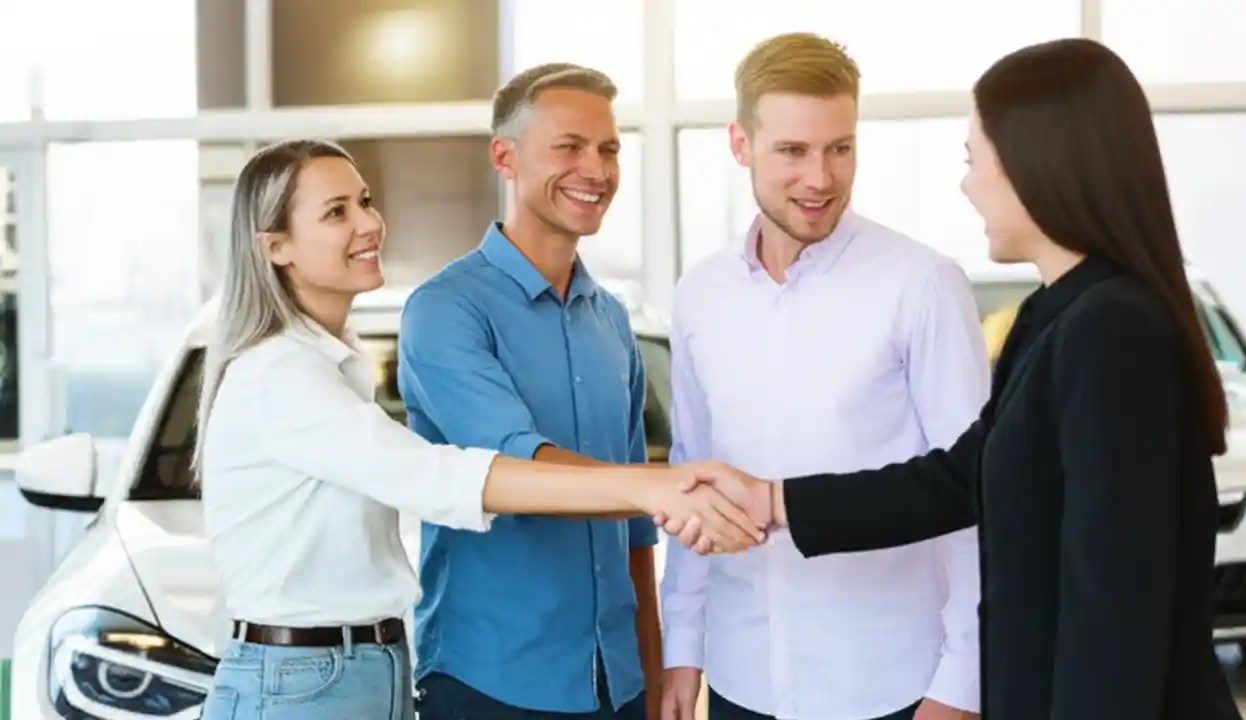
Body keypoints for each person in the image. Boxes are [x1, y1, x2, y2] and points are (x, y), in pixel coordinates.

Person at [665, 38, 1245, 720]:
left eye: (977, 160)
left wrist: (957, 682)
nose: (968, 185)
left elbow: (1113, 601)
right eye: (793, 150)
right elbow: (954, 481)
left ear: (1041, 167)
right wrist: (769, 501)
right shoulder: (1058, 315)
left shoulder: (1110, 330)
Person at [195, 139, 764, 720]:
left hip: (358, 670)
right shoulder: (279, 375)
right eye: (336, 212)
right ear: (276, 248)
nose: (368, 223)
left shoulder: (336, 364)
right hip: (300, 684)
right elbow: (437, 476)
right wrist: (650, 487)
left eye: (365, 201)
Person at [659, 33, 983, 720]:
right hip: (741, 680)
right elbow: (692, 472)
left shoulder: (922, 286)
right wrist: (682, 646)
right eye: (793, 151)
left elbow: (974, 493)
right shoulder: (699, 295)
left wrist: (962, 685)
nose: (821, 178)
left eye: (840, 148)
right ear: (740, 145)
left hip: (890, 686)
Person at [398, 63, 665, 720]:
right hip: (490, 682)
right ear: (505, 157)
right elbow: (516, 467)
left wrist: (652, 679)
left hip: (616, 683)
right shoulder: (446, 310)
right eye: (569, 147)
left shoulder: (611, 320)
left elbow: (633, 534)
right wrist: (669, 490)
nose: (596, 170)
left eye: (607, 150)